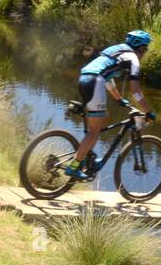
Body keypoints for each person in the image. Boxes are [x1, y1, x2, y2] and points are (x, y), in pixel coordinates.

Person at [64, 30, 156, 179]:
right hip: (95, 82)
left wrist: (119, 99)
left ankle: (86, 154)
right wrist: (147, 111)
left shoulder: (116, 49)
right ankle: (74, 166)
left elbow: (107, 76)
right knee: (94, 131)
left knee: (103, 118)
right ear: (140, 48)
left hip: (85, 78)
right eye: (145, 49)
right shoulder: (133, 59)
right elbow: (135, 90)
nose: (145, 52)